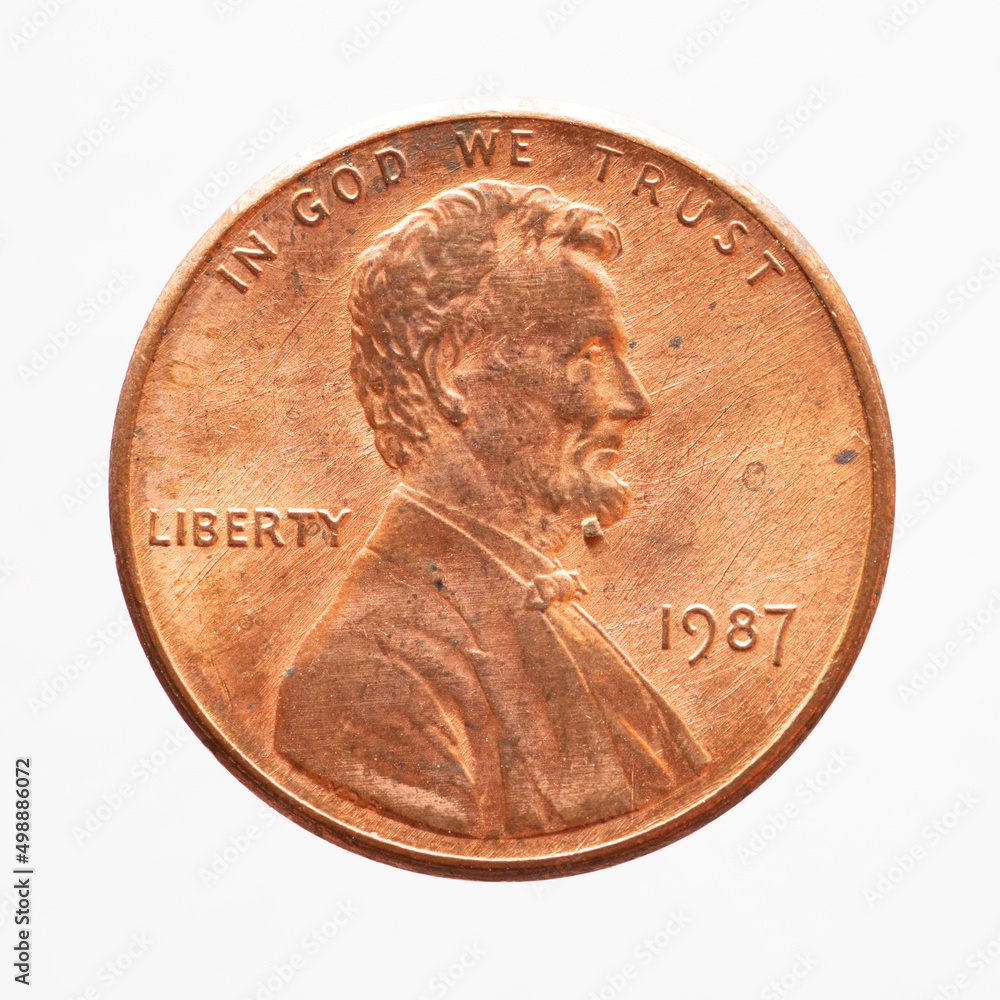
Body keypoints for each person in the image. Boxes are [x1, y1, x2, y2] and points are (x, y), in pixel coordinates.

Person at [274, 180, 708, 838]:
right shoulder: (367, 676)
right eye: (589, 356)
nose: (633, 400)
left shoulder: (535, 603)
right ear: (451, 373)